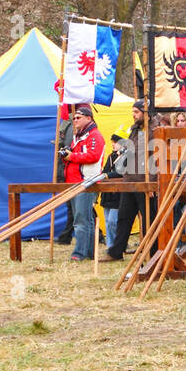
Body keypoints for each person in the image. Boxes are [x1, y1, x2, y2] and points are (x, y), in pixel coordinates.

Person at [102, 101, 150, 262]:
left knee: (150, 219)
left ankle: (153, 251)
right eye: (133, 111)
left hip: (146, 180)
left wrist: (154, 182)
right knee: (124, 217)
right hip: (130, 179)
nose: (134, 114)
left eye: (137, 111)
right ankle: (116, 251)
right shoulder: (135, 129)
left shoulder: (155, 129)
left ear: (145, 112)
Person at [61, 104, 105, 261]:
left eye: (78, 117)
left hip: (86, 182)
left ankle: (80, 253)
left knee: (81, 219)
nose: (75, 120)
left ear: (89, 118)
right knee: (85, 219)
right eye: (74, 118)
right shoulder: (79, 136)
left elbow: (93, 155)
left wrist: (71, 156)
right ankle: (90, 252)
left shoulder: (94, 136)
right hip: (76, 181)